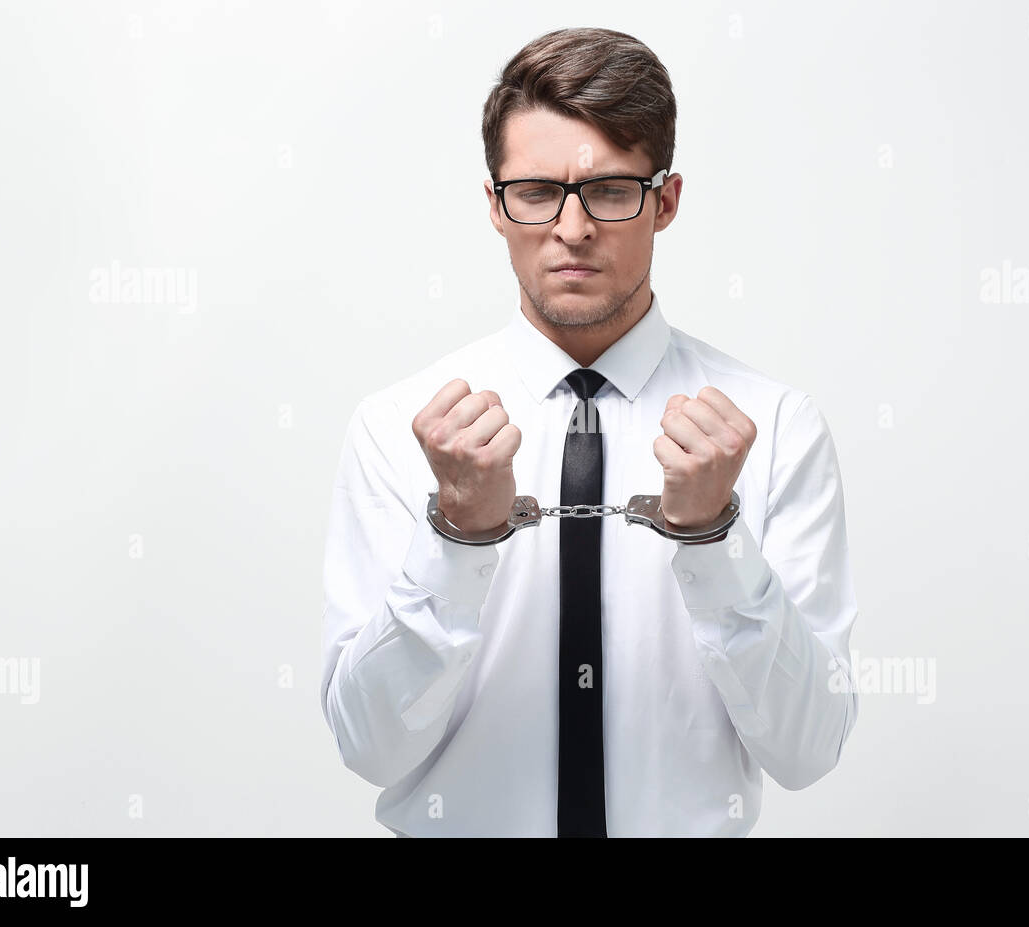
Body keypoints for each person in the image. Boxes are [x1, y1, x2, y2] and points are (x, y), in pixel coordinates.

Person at [319, 26, 859, 837]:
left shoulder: (775, 428)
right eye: (536, 191)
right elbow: (368, 746)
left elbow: (809, 749)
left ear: (666, 201)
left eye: (609, 190)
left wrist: (718, 539)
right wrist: (456, 539)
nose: (572, 229)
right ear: (496, 207)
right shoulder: (399, 429)